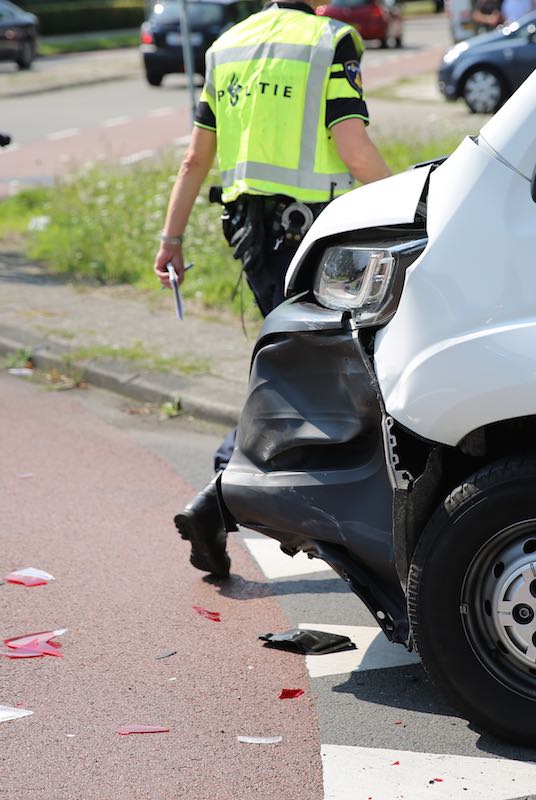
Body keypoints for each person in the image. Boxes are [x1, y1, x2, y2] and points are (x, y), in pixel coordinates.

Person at [154, 0, 392, 578]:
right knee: (328, 375)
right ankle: (224, 495)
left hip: (252, 238)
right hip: (312, 231)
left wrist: (171, 238)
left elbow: (195, 158)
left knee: (308, 373)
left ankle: (224, 501)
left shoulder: (225, 46)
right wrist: (416, 208)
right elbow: (351, 143)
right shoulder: (330, 40)